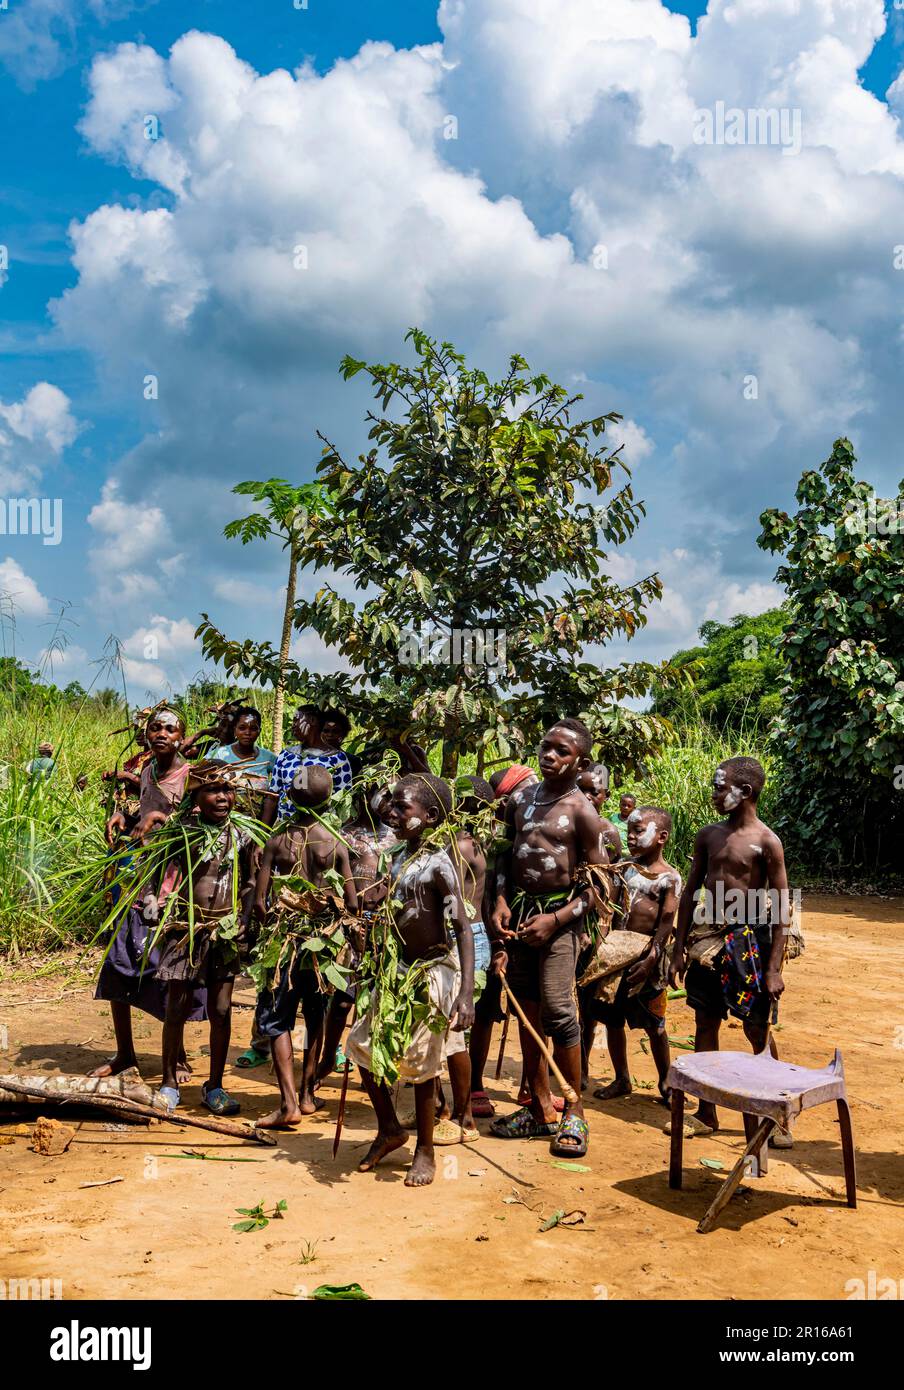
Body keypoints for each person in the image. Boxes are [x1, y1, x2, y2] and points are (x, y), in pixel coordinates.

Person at [346, 772, 475, 1187]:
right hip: (395, 970)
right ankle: (390, 1128)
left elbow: (462, 929)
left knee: (423, 1063)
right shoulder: (398, 857)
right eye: (393, 805)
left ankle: (425, 1149)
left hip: (433, 970)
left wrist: (466, 993)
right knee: (361, 1044)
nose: (393, 812)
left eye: (404, 807)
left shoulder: (441, 863)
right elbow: (395, 906)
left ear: (431, 816)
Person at [488, 718, 607, 1157]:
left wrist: (556, 920)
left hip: (560, 922)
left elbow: (598, 889)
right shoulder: (520, 799)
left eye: (562, 752)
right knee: (526, 1007)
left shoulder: (582, 813)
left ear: (581, 763)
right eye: (546, 747)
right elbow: (504, 857)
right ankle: (539, 1108)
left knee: (558, 1009)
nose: (550, 756)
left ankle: (575, 1113)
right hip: (519, 916)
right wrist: (501, 901)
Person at [667, 756, 790, 1141]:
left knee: (756, 1026)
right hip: (708, 939)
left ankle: (776, 1114)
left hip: (749, 941)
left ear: (745, 792)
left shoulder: (767, 841)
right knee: (705, 1021)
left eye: (720, 788)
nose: (714, 795)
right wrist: (678, 946)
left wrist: (773, 968)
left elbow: (782, 908)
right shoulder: (708, 835)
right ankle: (707, 1111)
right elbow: (689, 892)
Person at [91, 709, 202, 1082]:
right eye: (156, 727)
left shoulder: (191, 777)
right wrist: (129, 817)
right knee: (116, 962)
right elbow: (146, 807)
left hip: (176, 885)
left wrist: (163, 822)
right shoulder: (147, 770)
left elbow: (200, 826)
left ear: (181, 737)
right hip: (139, 880)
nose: (162, 733)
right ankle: (125, 1053)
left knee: (172, 971)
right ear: (147, 733)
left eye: (171, 729)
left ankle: (179, 1054)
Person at [253, 766, 358, 1127]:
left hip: (284, 943)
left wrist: (270, 929)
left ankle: (288, 1104)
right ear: (329, 797)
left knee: (276, 1019)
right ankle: (309, 1094)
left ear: (291, 797)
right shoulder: (335, 842)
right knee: (315, 1015)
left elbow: (260, 901)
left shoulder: (277, 841)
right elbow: (352, 903)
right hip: (322, 946)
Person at [153, 761, 257, 1113]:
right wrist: (156, 903)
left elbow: (249, 883)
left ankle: (214, 1085)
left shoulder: (241, 835)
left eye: (228, 790)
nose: (223, 797)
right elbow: (158, 873)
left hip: (223, 934)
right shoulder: (183, 831)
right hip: (186, 931)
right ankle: (168, 1081)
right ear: (196, 796)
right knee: (176, 1006)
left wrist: (243, 916)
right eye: (213, 790)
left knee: (222, 1010)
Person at [591, 807, 681, 1104]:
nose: (630, 837)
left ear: (661, 838)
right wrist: (601, 946)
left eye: (638, 831)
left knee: (655, 1024)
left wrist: (651, 959)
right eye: (629, 830)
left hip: (647, 959)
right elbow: (610, 908)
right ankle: (622, 1078)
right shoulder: (625, 868)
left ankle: (666, 1082)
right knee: (613, 1019)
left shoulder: (669, 878)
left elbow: (666, 924)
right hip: (617, 956)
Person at [314, 781, 396, 1082]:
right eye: (383, 797)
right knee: (343, 1000)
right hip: (349, 927)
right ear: (362, 797)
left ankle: (369, 1065)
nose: (390, 805)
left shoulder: (397, 836)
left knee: (373, 1000)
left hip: (384, 929)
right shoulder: (344, 834)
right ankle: (327, 1058)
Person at [434, 774, 493, 1143]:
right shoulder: (479, 843)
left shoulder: (459, 847)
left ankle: (462, 1112)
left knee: (453, 1032)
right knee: (444, 1030)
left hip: (461, 939)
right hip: (470, 935)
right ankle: (444, 1107)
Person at [575, 761, 623, 1087]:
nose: (589, 797)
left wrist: (614, 930)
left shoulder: (609, 832)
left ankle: (581, 1065)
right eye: (583, 790)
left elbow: (616, 882)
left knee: (588, 1003)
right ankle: (570, 1058)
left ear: (606, 795)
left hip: (596, 927)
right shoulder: (568, 825)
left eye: (596, 792)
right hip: (568, 923)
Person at [264, 705, 354, 826]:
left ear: (312, 721)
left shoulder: (338, 759)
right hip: (285, 831)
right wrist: (262, 836)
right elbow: (272, 797)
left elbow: (344, 803)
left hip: (320, 834)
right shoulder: (286, 755)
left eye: (296, 719)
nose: (293, 725)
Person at [207, 705, 276, 809]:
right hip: (224, 818)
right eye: (242, 728)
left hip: (260, 821)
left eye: (253, 728)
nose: (247, 733)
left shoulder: (268, 757)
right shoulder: (219, 754)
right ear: (235, 730)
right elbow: (198, 776)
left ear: (259, 731)